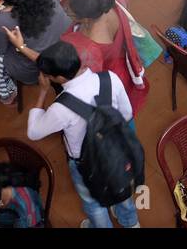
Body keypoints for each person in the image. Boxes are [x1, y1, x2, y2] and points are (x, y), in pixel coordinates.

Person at [26, 41, 139, 228]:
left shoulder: (61, 107)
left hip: (85, 162)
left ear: (60, 78)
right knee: (124, 191)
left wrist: (43, 92)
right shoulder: (109, 78)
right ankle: (131, 223)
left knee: (93, 204)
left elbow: (33, 132)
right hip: (118, 150)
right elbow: (126, 114)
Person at [0, 0, 70, 106]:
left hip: (36, 66)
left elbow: (1, 49)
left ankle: (6, 93)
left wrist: (18, 44)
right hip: (67, 42)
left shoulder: (0, 19)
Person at [62, 0, 149, 118]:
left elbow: (89, 72)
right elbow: (126, 3)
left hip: (109, 70)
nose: (66, 11)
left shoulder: (91, 43)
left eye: (70, 12)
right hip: (121, 59)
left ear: (85, 19)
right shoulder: (113, 4)